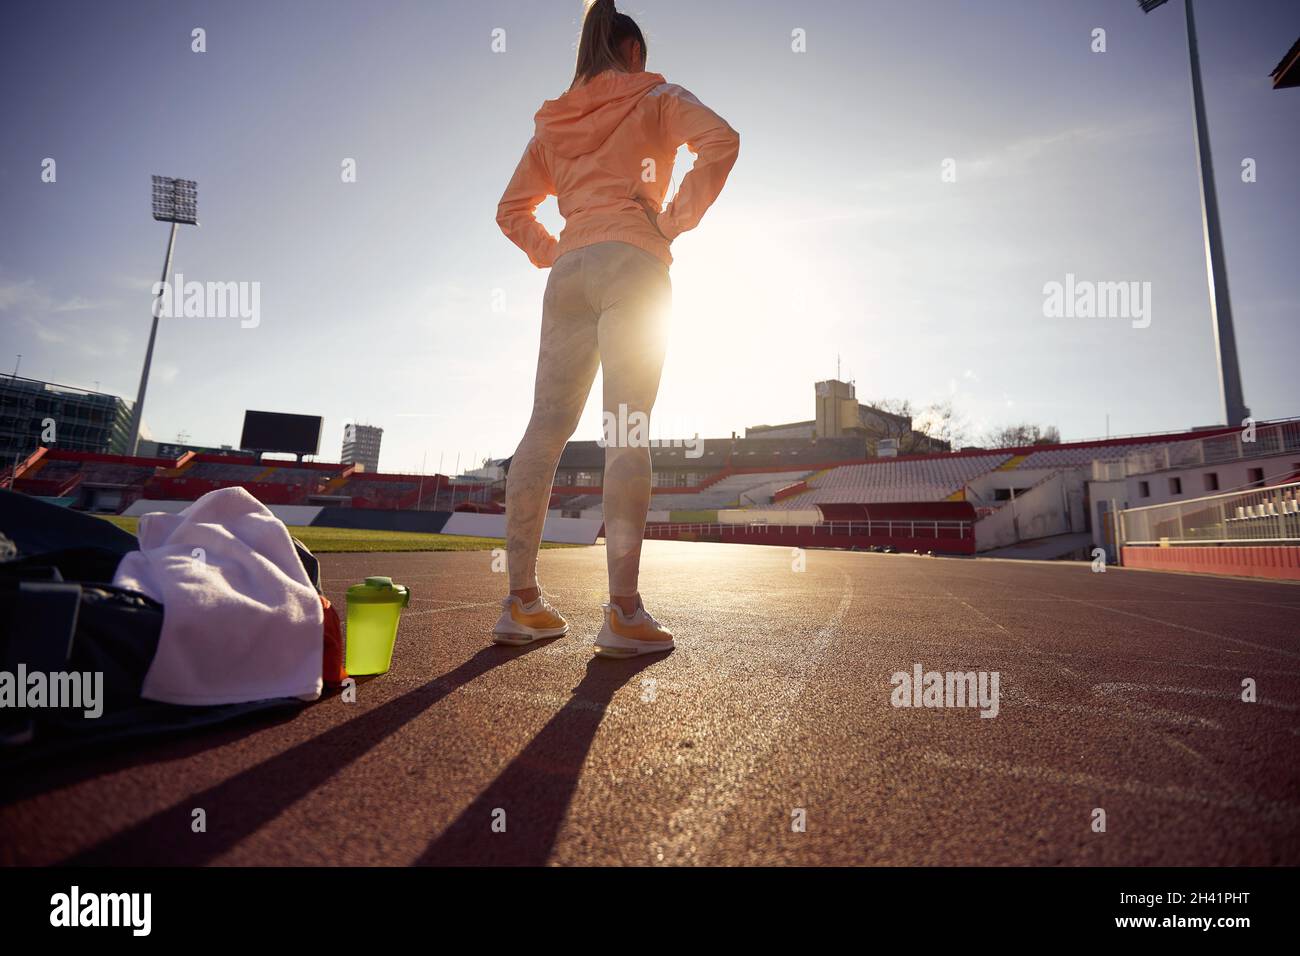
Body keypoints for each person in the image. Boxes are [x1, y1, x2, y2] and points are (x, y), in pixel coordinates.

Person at [491, 0, 739, 657]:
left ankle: (520, 603)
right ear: (632, 52)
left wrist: (557, 249)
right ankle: (622, 612)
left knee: (544, 428)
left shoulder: (553, 122)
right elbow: (722, 140)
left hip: (569, 271)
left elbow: (511, 209)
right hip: (634, 259)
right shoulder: (656, 95)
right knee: (626, 426)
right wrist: (673, 219)